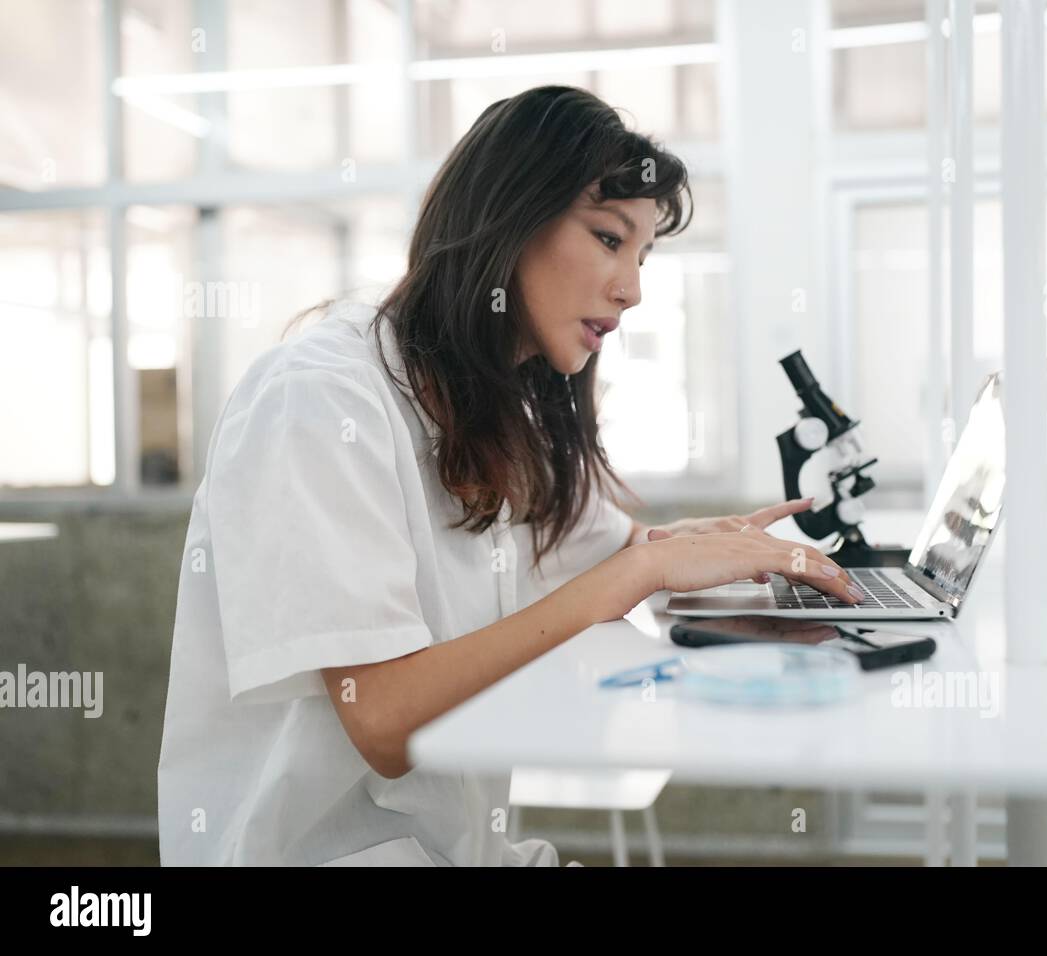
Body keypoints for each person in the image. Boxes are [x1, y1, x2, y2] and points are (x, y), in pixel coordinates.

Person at [157, 86, 864, 866]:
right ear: (507, 218)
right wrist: (648, 565)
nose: (632, 288)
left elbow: (621, 549)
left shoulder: (501, 415)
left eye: (643, 254)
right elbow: (386, 721)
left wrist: (719, 554)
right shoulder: (320, 398)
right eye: (607, 238)